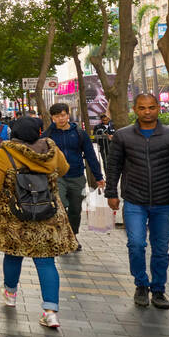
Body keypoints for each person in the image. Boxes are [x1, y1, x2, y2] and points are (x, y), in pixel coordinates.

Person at [0, 116, 77, 329]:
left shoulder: (3, 154)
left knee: (13, 255)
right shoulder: (51, 151)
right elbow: (63, 170)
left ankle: (10, 294)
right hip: (48, 215)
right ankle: (51, 312)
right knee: (46, 262)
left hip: (15, 218)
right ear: (39, 131)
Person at [105, 93, 169, 309]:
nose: (148, 112)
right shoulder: (123, 136)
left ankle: (158, 289)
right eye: (143, 108)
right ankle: (141, 284)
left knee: (161, 249)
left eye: (152, 107)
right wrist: (111, 193)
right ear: (135, 109)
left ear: (158, 108)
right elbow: (114, 166)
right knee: (136, 244)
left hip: (164, 202)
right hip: (134, 201)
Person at [42, 102, 105, 251]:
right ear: (52, 118)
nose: (61, 119)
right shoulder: (47, 135)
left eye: (63, 115)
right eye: (57, 116)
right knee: (60, 206)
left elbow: (90, 155)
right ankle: (63, 236)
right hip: (57, 177)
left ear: (68, 115)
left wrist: (98, 176)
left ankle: (72, 236)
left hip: (77, 176)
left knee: (76, 209)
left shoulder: (79, 133)